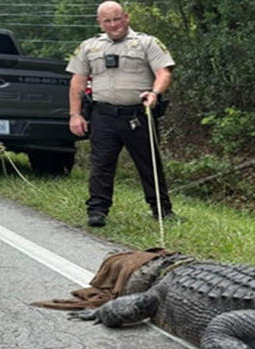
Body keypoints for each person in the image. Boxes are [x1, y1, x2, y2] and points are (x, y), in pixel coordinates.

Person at [67, 1, 176, 227]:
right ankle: (97, 211)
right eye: (107, 21)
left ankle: (162, 211)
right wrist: (75, 115)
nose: (113, 24)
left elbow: (163, 72)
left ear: (126, 17)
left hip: (138, 114)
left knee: (150, 164)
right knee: (101, 165)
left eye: (117, 19)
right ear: (100, 22)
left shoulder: (147, 43)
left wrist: (155, 93)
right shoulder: (89, 47)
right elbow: (77, 81)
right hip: (103, 115)